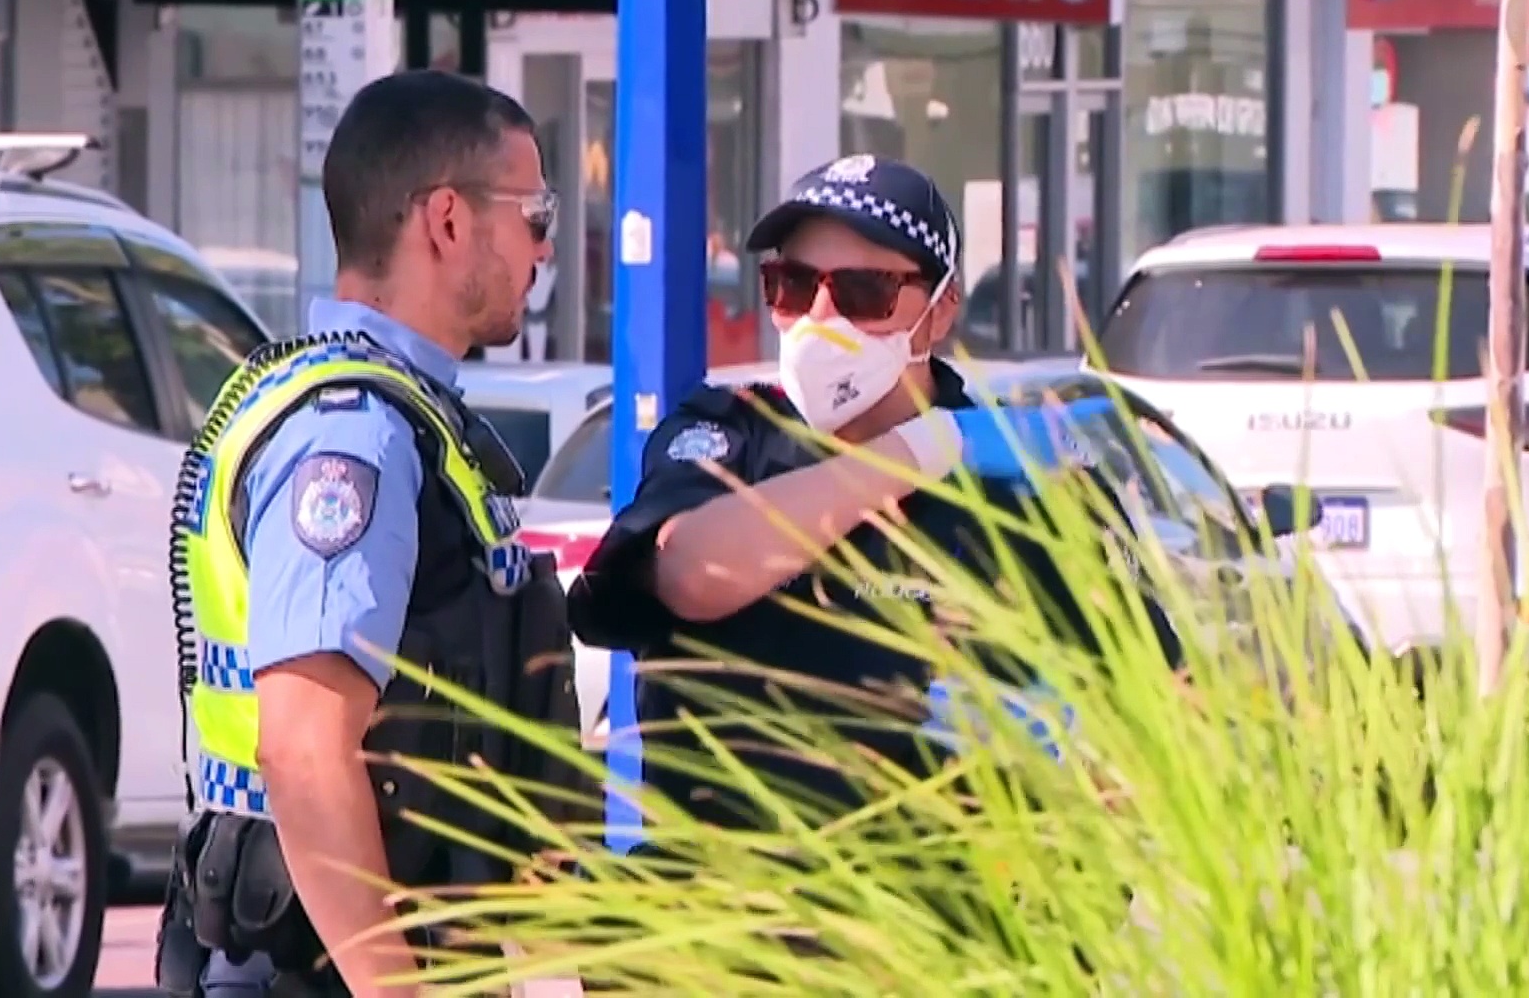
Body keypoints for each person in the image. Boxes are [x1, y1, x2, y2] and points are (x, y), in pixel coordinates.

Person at [567, 154, 1184, 836]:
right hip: (730, 909)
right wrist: (916, 453)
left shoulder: (1031, 482)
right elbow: (690, 573)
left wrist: (1062, 775)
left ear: (941, 309)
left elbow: (1159, 714)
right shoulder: (730, 431)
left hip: (956, 919)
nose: (821, 318)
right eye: (792, 286)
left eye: (864, 292)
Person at [155, 70, 582, 998]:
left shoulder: (410, 422)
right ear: (448, 222)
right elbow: (304, 749)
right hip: (321, 969)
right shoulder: (353, 435)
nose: (545, 248)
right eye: (535, 214)